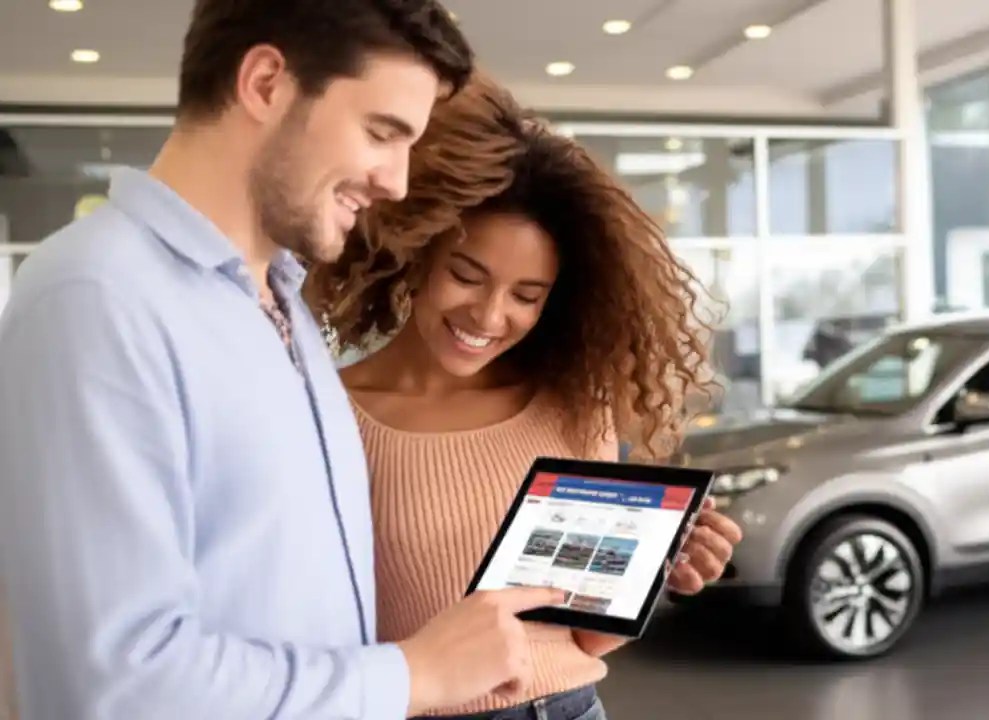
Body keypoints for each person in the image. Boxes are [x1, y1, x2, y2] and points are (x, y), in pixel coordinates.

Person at [0, 2, 569, 718]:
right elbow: (116, 682)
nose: (396, 181)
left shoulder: (282, 308)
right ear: (266, 83)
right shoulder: (97, 296)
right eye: (381, 133)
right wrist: (411, 677)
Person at [304, 74, 745, 719]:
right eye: (466, 275)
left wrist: (655, 575)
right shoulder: (333, 414)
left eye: (525, 295)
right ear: (418, 257)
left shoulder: (572, 407)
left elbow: (581, 639)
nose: (489, 315)